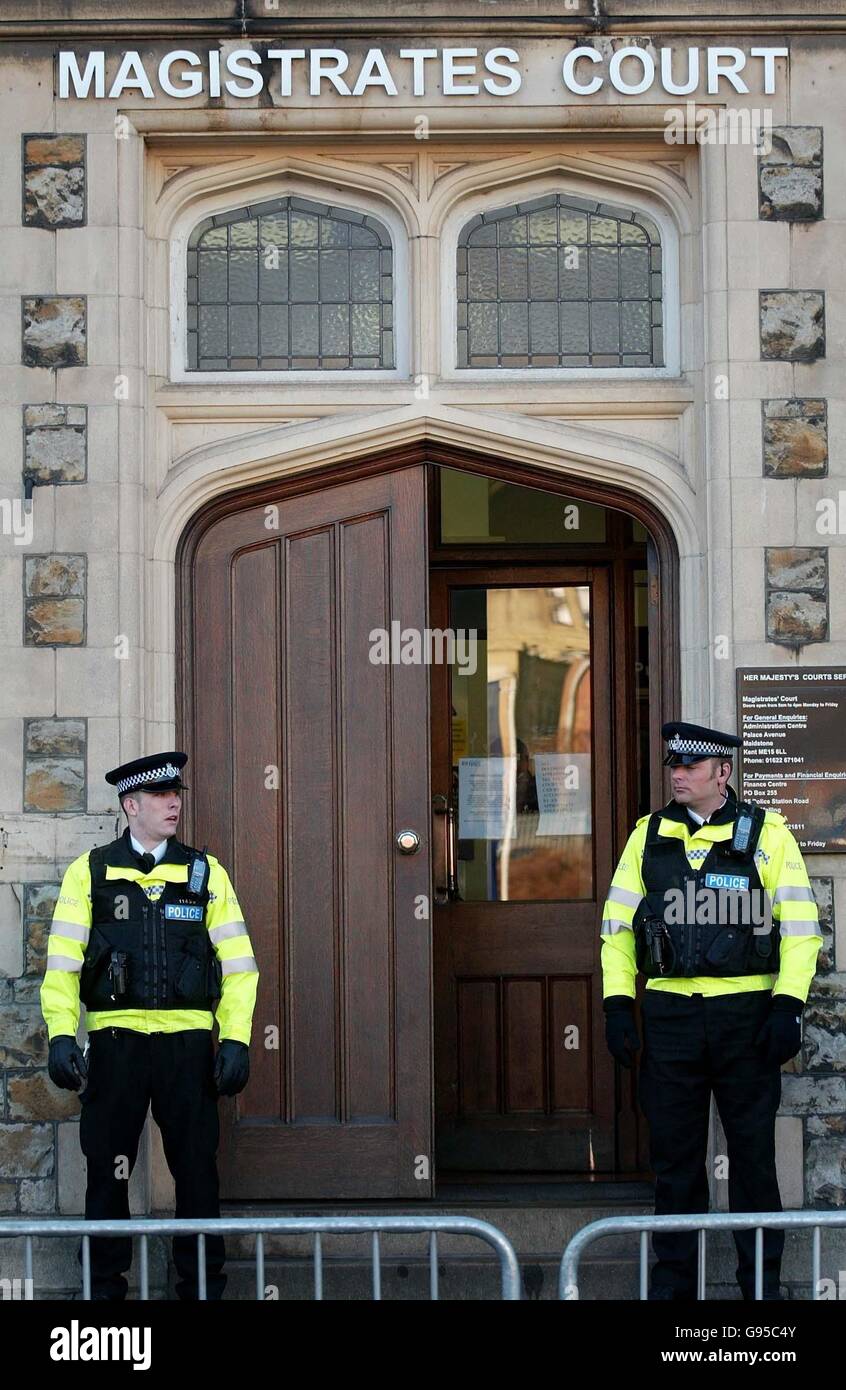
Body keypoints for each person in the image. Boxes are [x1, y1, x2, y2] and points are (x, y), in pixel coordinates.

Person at [601, 722, 821, 1301]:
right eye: (673, 764)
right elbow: (617, 928)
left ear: (723, 772)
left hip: (746, 1020)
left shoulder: (767, 832)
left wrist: (789, 1004)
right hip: (671, 1018)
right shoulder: (647, 835)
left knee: (752, 1166)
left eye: (691, 766)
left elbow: (801, 929)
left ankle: (761, 1296)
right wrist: (618, 1001)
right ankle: (676, 1295)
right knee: (675, 1167)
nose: (678, 773)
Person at [40, 751, 259, 1301]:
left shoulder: (205, 873)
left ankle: (203, 1290)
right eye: (162, 796)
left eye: (177, 794)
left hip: (186, 1048)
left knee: (197, 1175)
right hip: (115, 1046)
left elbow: (239, 966)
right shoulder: (90, 873)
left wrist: (234, 1039)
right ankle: (104, 1296)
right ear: (130, 805)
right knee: (107, 1177)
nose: (174, 803)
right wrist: (62, 1034)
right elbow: (63, 966)